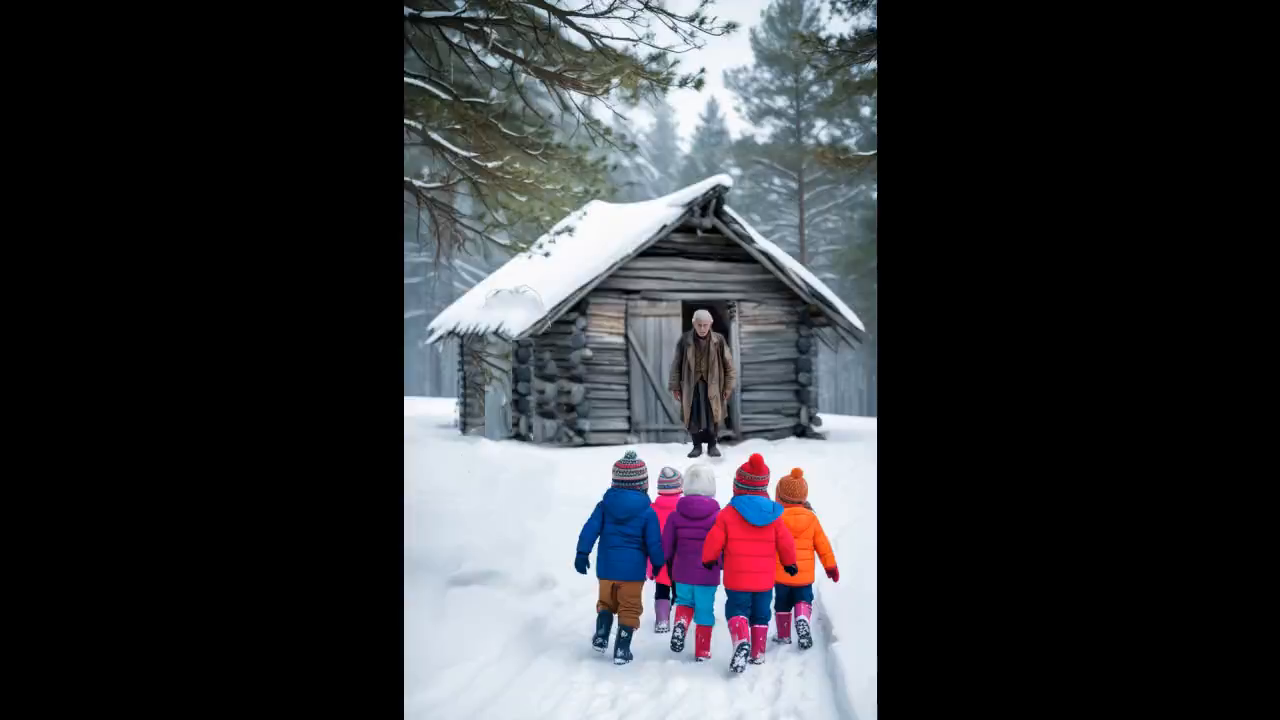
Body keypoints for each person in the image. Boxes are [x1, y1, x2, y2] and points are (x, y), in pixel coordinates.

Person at [700, 453, 798, 673]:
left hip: (737, 579)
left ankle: (741, 639)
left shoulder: (727, 514)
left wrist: (708, 559)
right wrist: (789, 562)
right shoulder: (774, 515)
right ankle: (758, 653)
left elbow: (714, 539)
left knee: (736, 610)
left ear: (738, 486)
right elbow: (786, 542)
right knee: (761, 614)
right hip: (764, 580)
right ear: (764, 487)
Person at [575, 450, 665, 665]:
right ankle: (622, 649)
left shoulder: (604, 507)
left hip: (606, 569)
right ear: (643, 484)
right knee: (629, 607)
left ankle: (601, 634)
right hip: (633, 573)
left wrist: (582, 553)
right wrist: (659, 563)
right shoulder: (648, 512)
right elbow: (654, 542)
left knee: (606, 602)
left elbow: (590, 529)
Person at [770, 468, 838, 649]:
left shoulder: (776, 517)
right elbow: (823, 545)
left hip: (781, 573)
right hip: (804, 576)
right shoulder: (811, 519)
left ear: (780, 496)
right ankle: (801, 618)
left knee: (782, 604)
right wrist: (830, 566)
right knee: (803, 599)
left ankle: (784, 635)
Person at [660, 463, 722, 661]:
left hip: (682, 573)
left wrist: (661, 562)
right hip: (707, 573)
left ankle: (681, 623)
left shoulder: (675, 515)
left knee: (684, 602)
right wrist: (722, 564)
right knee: (705, 611)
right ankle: (702, 650)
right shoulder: (717, 517)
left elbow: (666, 546)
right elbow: (722, 544)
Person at [668, 308, 737, 458]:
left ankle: (713, 445)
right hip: (691, 384)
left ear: (710, 324)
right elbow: (676, 364)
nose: (702, 328)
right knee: (693, 414)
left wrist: (728, 386)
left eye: (705, 325)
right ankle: (696, 446)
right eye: (699, 325)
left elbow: (729, 364)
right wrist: (675, 386)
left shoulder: (718, 340)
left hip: (713, 384)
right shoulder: (685, 340)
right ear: (694, 324)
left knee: (714, 414)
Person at [648, 467, 683, 633]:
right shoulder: (683, 508)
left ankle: (662, 620)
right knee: (679, 591)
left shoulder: (652, 509)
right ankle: (680, 620)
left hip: (658, 557)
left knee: (661, 588)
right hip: (679, 557)